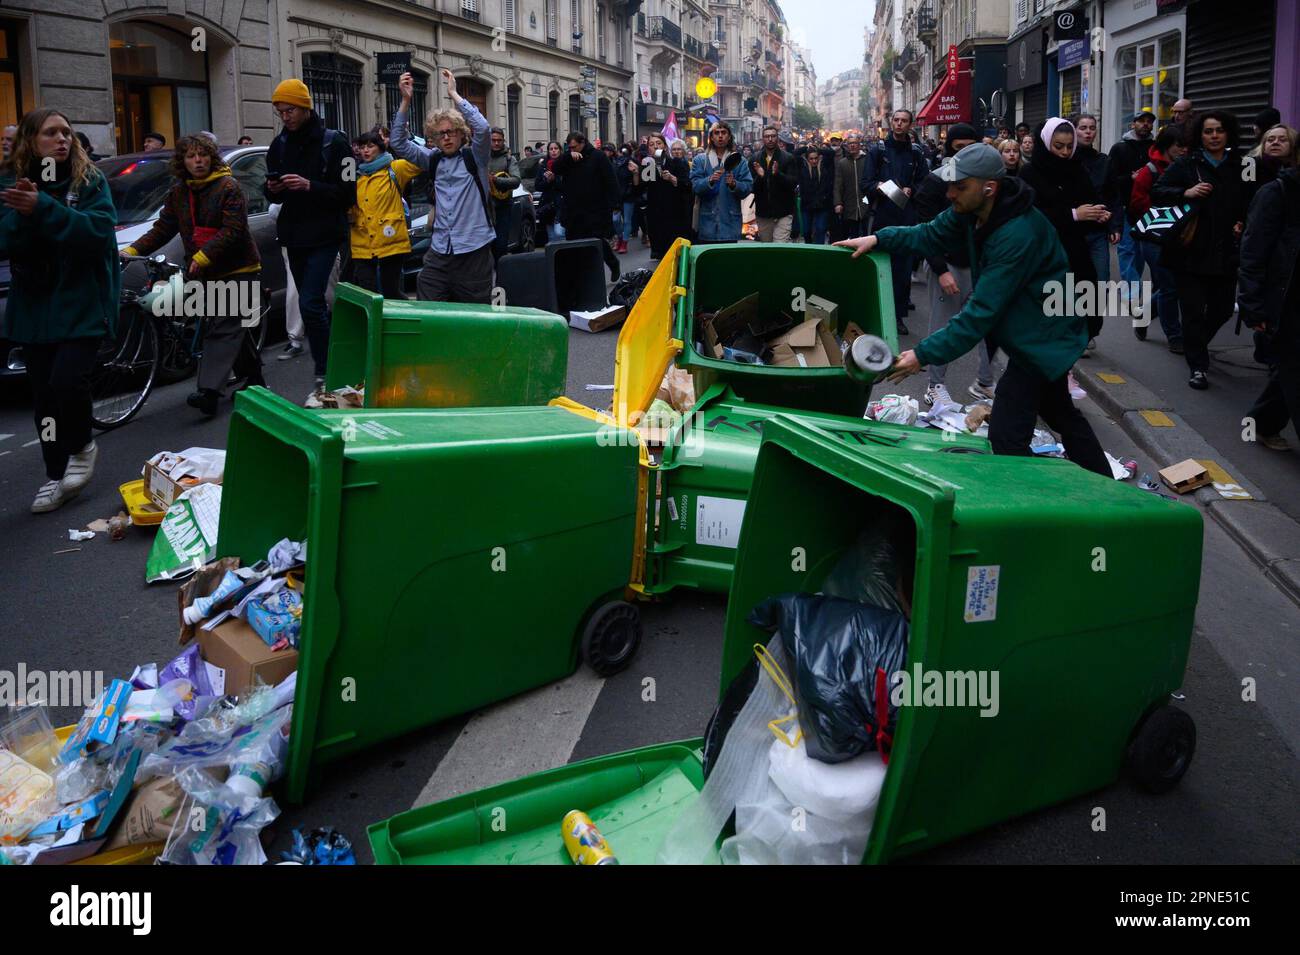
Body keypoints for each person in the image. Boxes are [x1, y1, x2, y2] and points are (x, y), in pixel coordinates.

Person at [834, 144, 1110, 477]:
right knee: (1061, 413)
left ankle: (1027, 506)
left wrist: (921, 354)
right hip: (1034, 332)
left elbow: (979, 314)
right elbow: (930, 234)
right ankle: (1108, 487)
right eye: (949, 184)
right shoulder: (972, 209)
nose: (949, 194)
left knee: (1007, 435)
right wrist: (878, 239)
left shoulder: (1018, 233)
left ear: (989, 187)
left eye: (959, 186)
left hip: (1045, 337)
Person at [0, 108, 120, 511]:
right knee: (44, 400)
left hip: (80, 303)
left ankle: (83, 447)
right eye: (51, 133)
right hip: (34, 309)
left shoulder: (90, 180)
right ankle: (55, 473)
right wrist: (25, 213)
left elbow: (97, 232)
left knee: (67, 381)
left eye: (67, 132)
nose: (62, 139)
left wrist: (44, 210)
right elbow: (5, 240)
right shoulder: (12, 182)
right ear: (31, 140)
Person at [124, 133, 263, 416]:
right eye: (190, 156)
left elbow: (234, 231)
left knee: (223, 327)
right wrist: (134, 250)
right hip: (206, 271)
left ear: (211, 157)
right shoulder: (179, 191)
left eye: (202, 155)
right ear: (182, 161)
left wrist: (202, 256)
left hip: (238, 269)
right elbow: (164, 227)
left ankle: (208, 392)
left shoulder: (229, 186)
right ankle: (255, 379)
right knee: (231, 328)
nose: (197, 161)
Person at [1150, 110, 1251, 391]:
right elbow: (1158, 191)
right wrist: (1187, 193)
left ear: (1228, 133)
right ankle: (1198, 367)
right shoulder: (1186, 164)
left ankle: (1196, 344)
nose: (1214, 136)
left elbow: (1253, 199)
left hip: (1226, 252)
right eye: (1208, 131)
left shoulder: (1242, 165)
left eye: (1219, 130)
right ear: (1200, 135)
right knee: (1193, 311)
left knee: (1220, 309)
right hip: (1190, 250)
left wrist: (1243, 221)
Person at [264, 78, 353, 391]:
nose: (285, 116)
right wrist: (273, 189)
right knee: (308, 303)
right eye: (280, 112)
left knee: (312, 302)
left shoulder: (336, 143)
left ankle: (326, 370)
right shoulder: (279, 144)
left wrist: (310, 185)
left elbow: (348, 193)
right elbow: (271, 191)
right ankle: (330, 360)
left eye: (290, 110)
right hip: (294, 234)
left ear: (305, 108)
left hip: (325, 234)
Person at [391, 69, 496, 304]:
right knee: (429, 303)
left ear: (460, 134)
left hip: (473, 249)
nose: (446, 138)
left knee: (474, 315)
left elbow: (483, 128)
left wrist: (454, 94)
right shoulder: (433, 159)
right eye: (440, 135)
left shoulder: (475, 157)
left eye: (451, 132)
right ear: (434, 139)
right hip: (440, 250)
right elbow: (398, 142)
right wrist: (405, 100)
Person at [910, 124, 997, 405]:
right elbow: (925, 230)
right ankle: (935, 385)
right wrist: (941, 269)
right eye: (960, 148)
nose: (967, 153)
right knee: (943, 326)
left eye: (972, 146)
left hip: (979, 265)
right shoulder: (936, 182)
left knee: (986, 325)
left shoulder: (984, 184)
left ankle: (985, 381)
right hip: (948, 264)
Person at [1017, 118, 1114, 357]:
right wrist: (1073, 214)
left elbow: (1088, 200)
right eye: (1058, 146)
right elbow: (1029, 213)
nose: (1064, 152)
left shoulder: (1077, 168)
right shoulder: (1029, 173)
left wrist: (1098, 214)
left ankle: (1079, 336)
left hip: (1076, 246)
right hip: (1044, 252)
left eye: (1069, 146)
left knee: (1085, 291)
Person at [1238, 162, 1300, 450]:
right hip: (1285, 301)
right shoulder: (1277, 193)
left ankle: (1262, 422)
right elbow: (1253, 250)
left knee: (1287, 371)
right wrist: (1252, 304)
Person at [865, 109, 930, 335]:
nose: (899, 124)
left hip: (906, 217)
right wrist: (881, 187)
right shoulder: (877, 150)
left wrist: (914, 189)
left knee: (902, 272)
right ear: (891, 122)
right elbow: (867, 184)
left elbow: (925, 182)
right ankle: (877, 313)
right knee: (880, 267)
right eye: (896, 120)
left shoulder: (916, 153)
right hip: (882, 216)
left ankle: (898, 316)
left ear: (910, 125)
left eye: (904, 121)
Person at [1129, 124, 1188, 353]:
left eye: (1185, 146)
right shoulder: (1150, 171)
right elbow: (1136, 204)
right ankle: (1174, 334)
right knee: (1169, 286)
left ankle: (1143, 315)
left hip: (1180, 236)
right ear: (1166, 146)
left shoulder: (1188, 168)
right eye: (1178, 146)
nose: (1183, 150)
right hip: (1153, 236)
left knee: (1171, 286)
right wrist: (1166, 211)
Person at [346, 129, 420, 298]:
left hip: (390, 242)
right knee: (368, 295)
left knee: (391, 293)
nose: (365, 150)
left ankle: (402, 322)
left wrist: (405, 140)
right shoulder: (354, 174)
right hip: (362, 243)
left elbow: (421, 160)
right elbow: (345, 200)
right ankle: (373, 325)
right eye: (362, 146)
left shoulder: (395, 169)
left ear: (381, 147)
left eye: (370, 146)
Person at [553, 131, 620, 280]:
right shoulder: (568, 159)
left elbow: (610, 180)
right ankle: (580, 278)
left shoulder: (598, 157)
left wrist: (614, 205)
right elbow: (555, 168)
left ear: (582, 143)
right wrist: (567, 157)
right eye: (569, 147)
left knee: (597, 242)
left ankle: (612, 264)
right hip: (573, 209)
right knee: (574, 244)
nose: (573, 150)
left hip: (594, 209)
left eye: (575, 147)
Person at [1108, 110, 1156, 307]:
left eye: (1149, 122)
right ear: (1132, 124)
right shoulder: (1119, 149)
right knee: (1128, 249)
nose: (1145, 124)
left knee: (1142, 252)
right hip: (1126, 206)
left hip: (1149, 208)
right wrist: (1130, 178)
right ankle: (1132, 291)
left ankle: (1132, 286)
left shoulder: (1155, 148)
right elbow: (1110, 179)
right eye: (1141, 121)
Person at [1073, 114, 1121, 283]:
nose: (1088, 132)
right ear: (1075, 131)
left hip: (1098, 230)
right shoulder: (1066, 160)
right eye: (1083, 128)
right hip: (1072, 231)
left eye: (1092, 128)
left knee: (1102, 281)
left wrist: (1114, 226)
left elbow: (1113, 196)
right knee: (1073, 283)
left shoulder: (1104, 161)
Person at [690, 121, 752, 244]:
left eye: (723, 133)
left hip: (730, 223)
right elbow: (695, 186)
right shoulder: (700, 160)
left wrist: (735, 184)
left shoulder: (740, 161)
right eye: (716, 133)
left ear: (729, 137)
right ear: (711, 137)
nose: (720, 136)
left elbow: (748, 187)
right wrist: (709, 180)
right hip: (707, 223)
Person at [641, 133, 690, 260]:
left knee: (674, 254)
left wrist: (672, 179)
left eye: (658, 143)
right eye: (651, 144)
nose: (655, 147)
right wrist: (636, 173)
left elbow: (687, 186)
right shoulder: (648, 165)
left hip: (674, 214)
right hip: (656, 214)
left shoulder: (677, 163)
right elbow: (642, 187)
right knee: (661, 254)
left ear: (665, 147)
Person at [750, 125, 798, 242]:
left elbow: (793, 183)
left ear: (777, 138)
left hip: (784, 212)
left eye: (773, 136)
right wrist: (761, 177)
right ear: (763, 139)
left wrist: (778, 174)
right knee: (767, 249)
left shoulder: (788, 158)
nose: (770, 139)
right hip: (763, 213)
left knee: (780, 247)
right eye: (767, 136)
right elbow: (752, 188)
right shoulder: (754, 159)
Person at [487, 126, 521, 259]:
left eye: (499, 140)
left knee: (500, 246)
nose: (496, 143)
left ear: (503, 141)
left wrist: (495, 180)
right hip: (484, 209)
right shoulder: (482, 156)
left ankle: (500, 277)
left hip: (502, 208)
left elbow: (516, 180)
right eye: (493, 140)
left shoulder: (509, 159)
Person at [832, 134, 870, 241]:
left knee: (867, 235)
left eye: (855, 143)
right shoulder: (842, 163)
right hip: (850, 205)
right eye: (850, 143)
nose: (852, 146)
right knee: (853, 237)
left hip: (866, 204)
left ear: (859, 145)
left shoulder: (867, 160)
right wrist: (838, 203)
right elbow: (838, 184)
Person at [796, 146, 834, 245]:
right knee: (806, 231)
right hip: (807, 205)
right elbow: (795, 153)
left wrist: (818, 149)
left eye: (816, 158)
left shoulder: (824, 166)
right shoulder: (802, 167)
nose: (814, 161)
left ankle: (819, 251)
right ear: (807, 159)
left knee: (820, 229)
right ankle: (809, 248)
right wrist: (805, 147)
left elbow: (831, 153)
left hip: (822, 204)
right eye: (811, 159)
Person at [610, 142, 639, 254]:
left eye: (625, 151)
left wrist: (635, 172)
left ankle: (624, 243)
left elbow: (637, 183)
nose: (623, 153)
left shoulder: (633, 163)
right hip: (617, 196)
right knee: (615, 220)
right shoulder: (615, 163)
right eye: (621, 151)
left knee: (627, 220)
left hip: (628, 196)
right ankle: (620, 237)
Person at [536, 140, 565, 243]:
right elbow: (538, 186)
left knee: (560, 233)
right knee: (552, 237)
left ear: (560, 150)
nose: (553, 151)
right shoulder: (543, 165)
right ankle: (555, 258)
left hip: (562, 204)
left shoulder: (565, 164)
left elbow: (568, 185)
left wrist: (555, 179)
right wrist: (547, 181)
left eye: (556, 149)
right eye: (551, 149)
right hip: (548, 205)